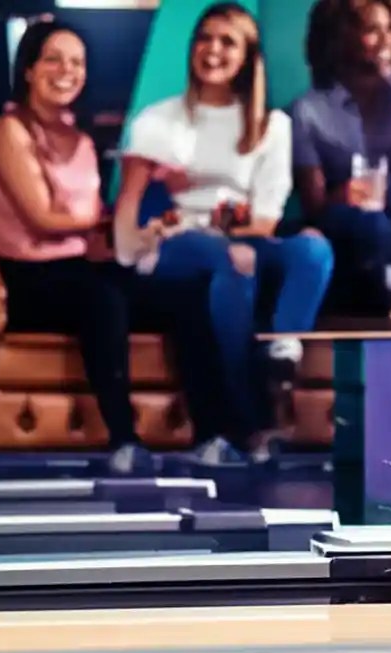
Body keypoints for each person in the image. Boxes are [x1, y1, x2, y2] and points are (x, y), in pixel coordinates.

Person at [0, 21, 242, 471]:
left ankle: (215, 435)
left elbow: (89, 227)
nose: (67, 70)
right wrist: (109, 219)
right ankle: (123, 441)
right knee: (102, 295)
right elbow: (41, 217)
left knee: (185, 291)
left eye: (77, 62)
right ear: (28, 70)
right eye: (54, 59)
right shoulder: (9, 131)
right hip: (26, 277)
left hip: (80, 268)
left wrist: (144, 222)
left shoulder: (80, 140)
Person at [114, 3, 334, 457]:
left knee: (312, 249)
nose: (212, 50)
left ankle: (282, 353)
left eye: (227, 41)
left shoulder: (272, 127)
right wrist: (220, 229)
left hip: (243, 237)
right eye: (204, 39)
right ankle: (246, 419)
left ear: (247, 56)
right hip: (175, 241)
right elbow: (139, 214)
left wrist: (230, 226)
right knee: (230, 260)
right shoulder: (158, 120)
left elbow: (267, 219)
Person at [291, 0, 391, 315]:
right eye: (372, 30)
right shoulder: (309, 110)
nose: (387, 40)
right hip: (348, 225)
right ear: (340, 38)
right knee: (373, 227)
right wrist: (344, 194)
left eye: (390, 29)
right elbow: (314, 205)